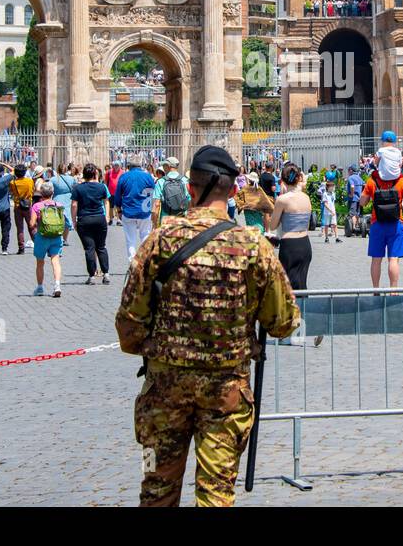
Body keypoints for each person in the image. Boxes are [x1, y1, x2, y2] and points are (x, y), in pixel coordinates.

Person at [115, 145, 300, 507]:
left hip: (164, 390)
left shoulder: (160, 240)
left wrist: (153, 348)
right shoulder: (254, 246)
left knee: (155, 488)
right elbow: (283, 322)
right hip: (226, 390)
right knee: (216, 495)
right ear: (233, 191)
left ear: (191, 189)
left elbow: (128, 324)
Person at [269, 163, 320, 345]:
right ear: (299, 178)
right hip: (305, 244)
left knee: (287, 288)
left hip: (289, 244)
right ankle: (302, 328)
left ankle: (289, 331)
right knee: (302, 286)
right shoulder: (305, 198)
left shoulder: (282, 200)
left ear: (282, 180)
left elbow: (273, 226)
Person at [360, 159, 403, 289]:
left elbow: (362, 202)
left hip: (377, 223)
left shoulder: (372, 180)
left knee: (376, 259)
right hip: (396, 224)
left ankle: (376, 289)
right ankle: (393, 290)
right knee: (393, 259)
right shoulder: (401, 181)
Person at [72, 163, 111, 284]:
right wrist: (107, 216)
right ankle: (106, 274)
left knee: (89, 248)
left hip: (84, 219)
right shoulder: (101, 187)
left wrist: (74, 220)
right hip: (99, 218)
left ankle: (92, 276)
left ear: (83, 174)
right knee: (101, 246)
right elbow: (106, 202)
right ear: (95, 174)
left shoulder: (78, 188)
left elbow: (74, 205)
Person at [116, 156, 157, 271]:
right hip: (144, 211)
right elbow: (153, 193)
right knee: (145, 236)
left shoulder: (124, 177)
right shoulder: (148, 177)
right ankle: (145, 260)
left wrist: (119, 210)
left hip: (128, 212)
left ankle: (132, 263)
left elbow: (118, 196)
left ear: (129, 166)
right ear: (140, 165)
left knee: (130, 239)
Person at [30, 181, 66, 298]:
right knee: (55, 261)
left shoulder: (37, 206)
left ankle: (40, 287)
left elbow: (31, 223)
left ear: (41, 193)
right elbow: (63, 223)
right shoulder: (59, 205)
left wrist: (36, 227)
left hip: (42, 236)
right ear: (52, 193)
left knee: (40, 262)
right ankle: (57, 285)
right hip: (56, 236)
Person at [10, 164, 34, 253]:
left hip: (18, 206)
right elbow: (32, 190)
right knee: (31, 226)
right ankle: (37, 243)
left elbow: (12, 192)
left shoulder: (13, 183)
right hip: (28, 205)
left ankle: (21, 247)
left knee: (20, 228)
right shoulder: (29, 181)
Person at [52, 162, 77, 247]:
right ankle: (65, 239)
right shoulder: (71, 179)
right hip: (68, 199)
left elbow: (49, 189)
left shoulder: (54, 179)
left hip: (57, 199)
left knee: (58, 219)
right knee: (67, 220)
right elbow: (75, 188)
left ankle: (58, 238)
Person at [105, 160, 124, 225]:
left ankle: (119, 219)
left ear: (120, 166)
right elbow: (106, 181)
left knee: (118, 205)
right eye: (115, 165)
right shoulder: (109, 172)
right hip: (110, 192)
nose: (116, 166)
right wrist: (106, 189)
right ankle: (110, 219)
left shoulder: (122, 172)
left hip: (119, 192)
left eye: (117, 165)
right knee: (111, 206)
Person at [320, 179, 338, 243]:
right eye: (332, 186)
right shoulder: (325, 194)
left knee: (335, 224)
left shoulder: (333, 193)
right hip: (327, 212)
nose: (333, 188)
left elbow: (333, 202)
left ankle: (337, 238)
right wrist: (330, 211)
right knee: (327, 225)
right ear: (328, 187)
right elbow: (325, 204)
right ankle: (326, 237)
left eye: (333, 186)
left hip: (333, 211)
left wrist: (334, 210)